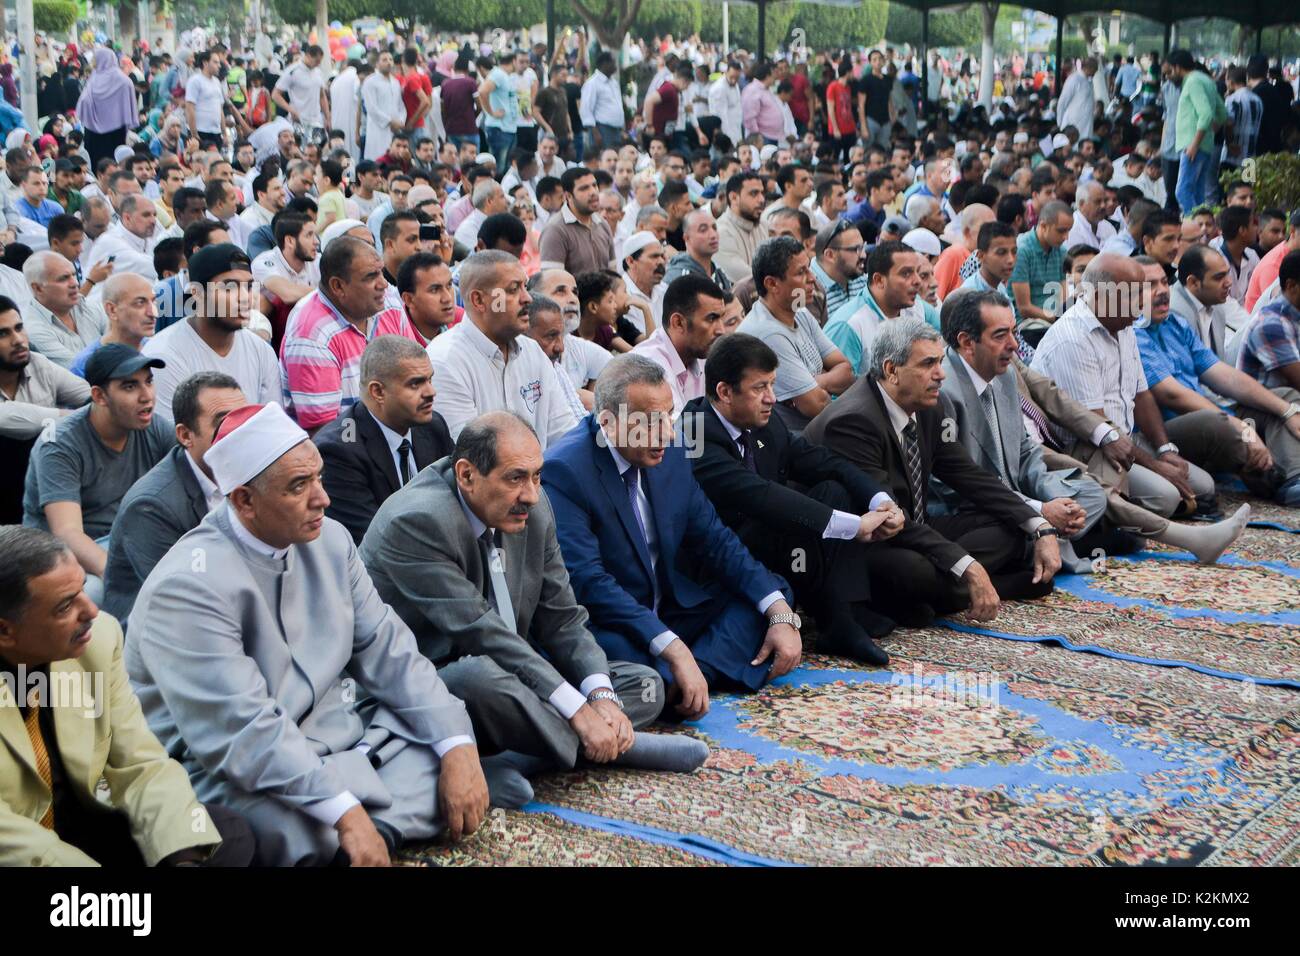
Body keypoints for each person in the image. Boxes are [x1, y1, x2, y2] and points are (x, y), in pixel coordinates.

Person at [124, 402, 490, 866]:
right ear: (243, 501)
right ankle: (363, 823)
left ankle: (350, 829)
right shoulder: (188, 584)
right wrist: (345, 813)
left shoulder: (330, 541)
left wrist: (457, 747)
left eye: (318, 477)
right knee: (269, 819)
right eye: (300, 486)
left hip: (336, 737)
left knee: (438, 745)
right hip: (236, 765)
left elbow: (389, 650)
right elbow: (242, 733)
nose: (323, 498)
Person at [361, 410, 708, 796]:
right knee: (477, 677)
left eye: (537, 475)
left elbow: (563, 620)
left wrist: (601, 698)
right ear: (466, 475)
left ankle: (515, 758)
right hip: (431, 683)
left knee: (643, 683)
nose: (530, 493)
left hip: (512, 674)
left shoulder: (533, 507)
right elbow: (482, 632)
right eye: (515, 478)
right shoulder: (416, 522)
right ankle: (611, 747)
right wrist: (577, 712)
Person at [543, 354, 802, 718]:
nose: (666, 432)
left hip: (671, 608)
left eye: (669, 416)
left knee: (774, 592)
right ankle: (683, 672)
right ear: (607, 422)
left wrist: (778, 614)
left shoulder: (672, 449)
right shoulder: (565, 471)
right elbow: (589, 583)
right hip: (614, 620)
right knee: (612, 654)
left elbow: (715, 540)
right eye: (650, 422)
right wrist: (672, 647)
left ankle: (679, 681)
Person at [0, 526, 254, 867]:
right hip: (24, 851)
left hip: (85, 824)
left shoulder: (98, 640)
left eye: (83, 589)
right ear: (5, 631)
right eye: (64, 606)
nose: (90, 610)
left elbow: (139, 761)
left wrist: (183, 859)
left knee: (221, 833)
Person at [802, 318, 1064, 626]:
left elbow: (969, 475)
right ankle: (966, 590)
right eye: (928, 364)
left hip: (914, 525)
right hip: (864, 542)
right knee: (917, 571)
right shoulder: (853, 422)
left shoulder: (927, 404)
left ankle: (937, 596)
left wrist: (1039, 525)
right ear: (891, 370)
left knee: (1011, 531)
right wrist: (969, 566)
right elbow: (886, 516)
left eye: (940, 362)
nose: (940, 375)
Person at [685, 333, 904, 664]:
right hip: (719, 558)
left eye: (773, 385)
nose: (772, 398)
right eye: (760, 388)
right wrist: (854, 526)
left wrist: (881, 502)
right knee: (794, 515)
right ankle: (838, 617)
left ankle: (843, 612)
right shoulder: (695, 435)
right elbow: (760, 496)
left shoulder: (765, 423)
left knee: (833, 490)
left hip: (775, 545)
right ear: (724, 392)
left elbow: (824, 461)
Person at [1032, 253, 1248, 528]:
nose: (1140, 305)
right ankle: (1121, 512)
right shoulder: (1072, 340)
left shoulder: (1123, 325)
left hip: (1128, 438)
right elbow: (1099, 431)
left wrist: (1165, 449)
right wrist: (1156, 466)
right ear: (1101, 296)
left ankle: (1135, 506)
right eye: (1133, 296)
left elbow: (1141, 394)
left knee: (1203, 486)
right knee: (1167, 496)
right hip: (1090, 450)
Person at [938, 290, 1107, 571]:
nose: (1014, 345)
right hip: (974, 508)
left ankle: (1044, 540)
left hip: (1019, 496)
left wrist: (1051, 499)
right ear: (967, 342)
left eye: (1014, 332)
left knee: (1091, 495)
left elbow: (1025, 449)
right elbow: (956, 488)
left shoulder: (1004, 375)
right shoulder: (944, 391)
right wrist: (1039, 510)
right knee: (1005, 533)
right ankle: (1045, 541)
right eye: (1000, 335)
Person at [1134, 256, 1300, 503]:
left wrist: (1286, 410)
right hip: (1166, 432)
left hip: (1211, 415)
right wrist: (1242, 428)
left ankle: (1292, 481)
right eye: (1150, 286)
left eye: (1164, 283)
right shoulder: (1134, 332)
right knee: (1217, 422)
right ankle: (1267, 476)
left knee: (1285, 397)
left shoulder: (1174, 323)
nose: (1162, 292)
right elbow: (1172, 394)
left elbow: (1224, 375)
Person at [22, 345, 174, 603]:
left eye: (148, 382)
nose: (146, 395)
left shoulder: (153, 427)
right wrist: (121, 575)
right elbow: (67, 533)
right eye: (130, 386)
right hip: (63, 558)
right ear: (99, 396)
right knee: (95, 595)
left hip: (128, 541)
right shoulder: (59, 443)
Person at [101, 372, 246, 622]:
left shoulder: (252, 471)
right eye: (222, 423)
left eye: (244, 420)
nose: (238, 432)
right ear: (185, 435)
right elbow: (182, 601)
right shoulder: (150, 507)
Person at [427, 250, 576, 448]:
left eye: (525, 287)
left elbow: (566, 436)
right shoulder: (445, 362)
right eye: (513, 290)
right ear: (479, 300)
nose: (527, 299)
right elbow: (472, 457)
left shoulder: (533, 351)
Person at [315, 335, 453, 544]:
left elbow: (458, 503)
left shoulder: (433, 426)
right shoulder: (339, 450)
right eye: (416, 384)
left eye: (430, 380)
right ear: (378, 391)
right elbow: (375, 541)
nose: (431, 392)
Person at [280, 236, 416, 432]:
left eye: (381, 272)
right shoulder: (312, 335)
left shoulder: (390, 304)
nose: (384, 284)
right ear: (338, 286)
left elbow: (414, 376)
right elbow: (325, 434)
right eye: (371, 276)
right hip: (346, 450)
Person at [143, 244, 281, 421]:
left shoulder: (261, 351)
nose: (244, 297)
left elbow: (273, 426)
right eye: (229, 287)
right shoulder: (164, 356)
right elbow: (174, 442)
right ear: (197, 293)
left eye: (248, 287)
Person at [738, 236, 854, 429]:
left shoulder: (800, 312)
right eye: (802, 272)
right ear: (772, 284)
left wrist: (815, 382)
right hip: (789, 441)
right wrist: (824, 381)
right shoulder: (768, 334)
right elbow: (816, 404)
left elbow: (847, 371)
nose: (813, 278)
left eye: (809, 268)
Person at [0, 297, 91, 523]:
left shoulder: (37, 363)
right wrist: (72, 418)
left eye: (19, 328)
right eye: (3, 334)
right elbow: (7, 416)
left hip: (41, 485)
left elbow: (89, 395)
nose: (18, 340)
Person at [1234, 250, 1300, 505]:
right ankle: (1292, 480)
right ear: (1292, 286)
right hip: (1255, 415)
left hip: (1285, 412)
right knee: (1289, 398)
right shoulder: (1272, 323)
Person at [631, 274, 727, 419]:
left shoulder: (704, 352)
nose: (721, 330)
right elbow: (678, 434)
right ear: (678, 323)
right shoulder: (647, 365)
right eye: (712, 318)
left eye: (722, 318)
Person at [824, 240, 923, 376]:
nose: (918, 281)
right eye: (906, 273)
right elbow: (838, 392)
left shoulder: (915, 306)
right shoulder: (849, 326)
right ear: (879, 280)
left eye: (918, 272)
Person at [22, 250, 107, 368]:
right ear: (38, 288)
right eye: (63, 279)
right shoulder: (33, 329)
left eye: (74, 275)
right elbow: (80, 370)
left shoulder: (89, 306)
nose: (75, 283)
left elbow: (123, 347)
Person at [1168, 49, 1226, 214]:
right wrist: (1211, 131)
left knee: (1183, 192)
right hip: (1204, 145)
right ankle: (1203, 229)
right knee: (1198, 193)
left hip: (1192, 145)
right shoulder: (1206, 80)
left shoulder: (1192, 81)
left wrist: (1194, 143)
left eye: (1171, 70)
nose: (1170, 75)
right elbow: (1222, 113)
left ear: (1177, 67)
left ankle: (1195, 226)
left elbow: (1206, 114)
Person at [67, 273, 156, 378]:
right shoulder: (84, 366)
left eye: (153, 301)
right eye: (140, 303)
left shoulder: (157, 348)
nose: (152, 313)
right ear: (112, 310)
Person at [538, 167, 615, 277]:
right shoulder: (555, 230)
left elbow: (613, 274)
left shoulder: (602, 224)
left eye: (594, 185)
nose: (593, 192)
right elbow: (552, 283)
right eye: (584, 188)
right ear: (568, 196)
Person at [1009, 200, 1073, 327]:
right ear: (1043, 226)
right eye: (1061, 231)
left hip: (1055, 320)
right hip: (1028, 324)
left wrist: (1066, 317)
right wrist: (1058, 319)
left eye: (1068, 230)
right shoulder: (1022, 251)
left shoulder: (1061, 252)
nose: (1066, 237)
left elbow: (1065, 297)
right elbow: (1024, 308)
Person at [77, 49, 138, 168]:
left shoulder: (93, 80)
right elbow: (130, 108)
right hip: (116, 132)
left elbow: (83, 103)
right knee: (114, 164)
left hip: (93, 133)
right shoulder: (125, 81)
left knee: (96, 165)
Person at [86, 194, 162, 281]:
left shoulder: (148, 234)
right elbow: (152, 267)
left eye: (154, 215)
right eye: (146, 215)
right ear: (127, 218)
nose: (153, 220)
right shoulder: (109, 241)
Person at [714, 171, 768, 285]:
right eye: (754, 193)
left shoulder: (762, 224)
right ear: (734, 198)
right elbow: (748, 279)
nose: (762, 199)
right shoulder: (720, 232)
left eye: (762, 193)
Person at [362, 52, 407, 163]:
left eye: (390, 59)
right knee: (378, 160)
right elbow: (372, 109)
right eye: (384, 60)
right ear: (377, 64)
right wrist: (390, 122)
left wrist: (401, 121)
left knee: (395, 159)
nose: (389, 62)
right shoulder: (370, 82)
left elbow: (401, 105)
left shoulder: (395, 82)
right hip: (378, 129)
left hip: (395, 129)